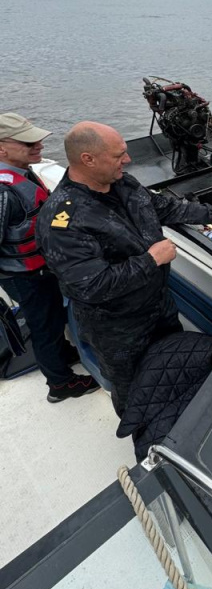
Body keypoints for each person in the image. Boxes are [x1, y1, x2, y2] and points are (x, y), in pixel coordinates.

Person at [36, 122, 212, 414]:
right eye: (119, 155)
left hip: (160, 309)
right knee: (135, 393)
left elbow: (163, 208)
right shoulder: (63, 221)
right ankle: (146, 442)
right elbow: (91, 286)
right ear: (88, 159)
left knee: (172, 371)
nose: (128, 160)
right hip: (119, 331)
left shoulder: (123, 183)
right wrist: (151, 260)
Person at [0, 112, 99, 403]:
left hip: (42, 269)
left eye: (37, 139)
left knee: (52, 318)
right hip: (25, 276)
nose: (38, 145)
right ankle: (60, 384)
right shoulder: (4, 191)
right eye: (27, 142)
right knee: (42, 325)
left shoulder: (21, 172)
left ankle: (61, 353)